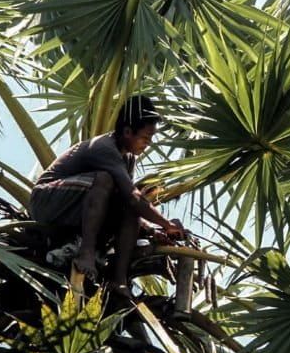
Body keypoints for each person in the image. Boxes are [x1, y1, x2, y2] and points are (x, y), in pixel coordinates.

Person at [29, 95, 184, 298]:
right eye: (145, 138)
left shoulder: (127, 158)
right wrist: (166, 224)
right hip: (46, 202)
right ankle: (86, 253)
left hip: (76, 211)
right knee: (106, 180)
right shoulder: (104, 147)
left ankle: (119, 281)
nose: (148, 144)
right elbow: (133, 196)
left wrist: (151, 231)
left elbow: (130, 204)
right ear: (128, 131)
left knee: (130, 207)